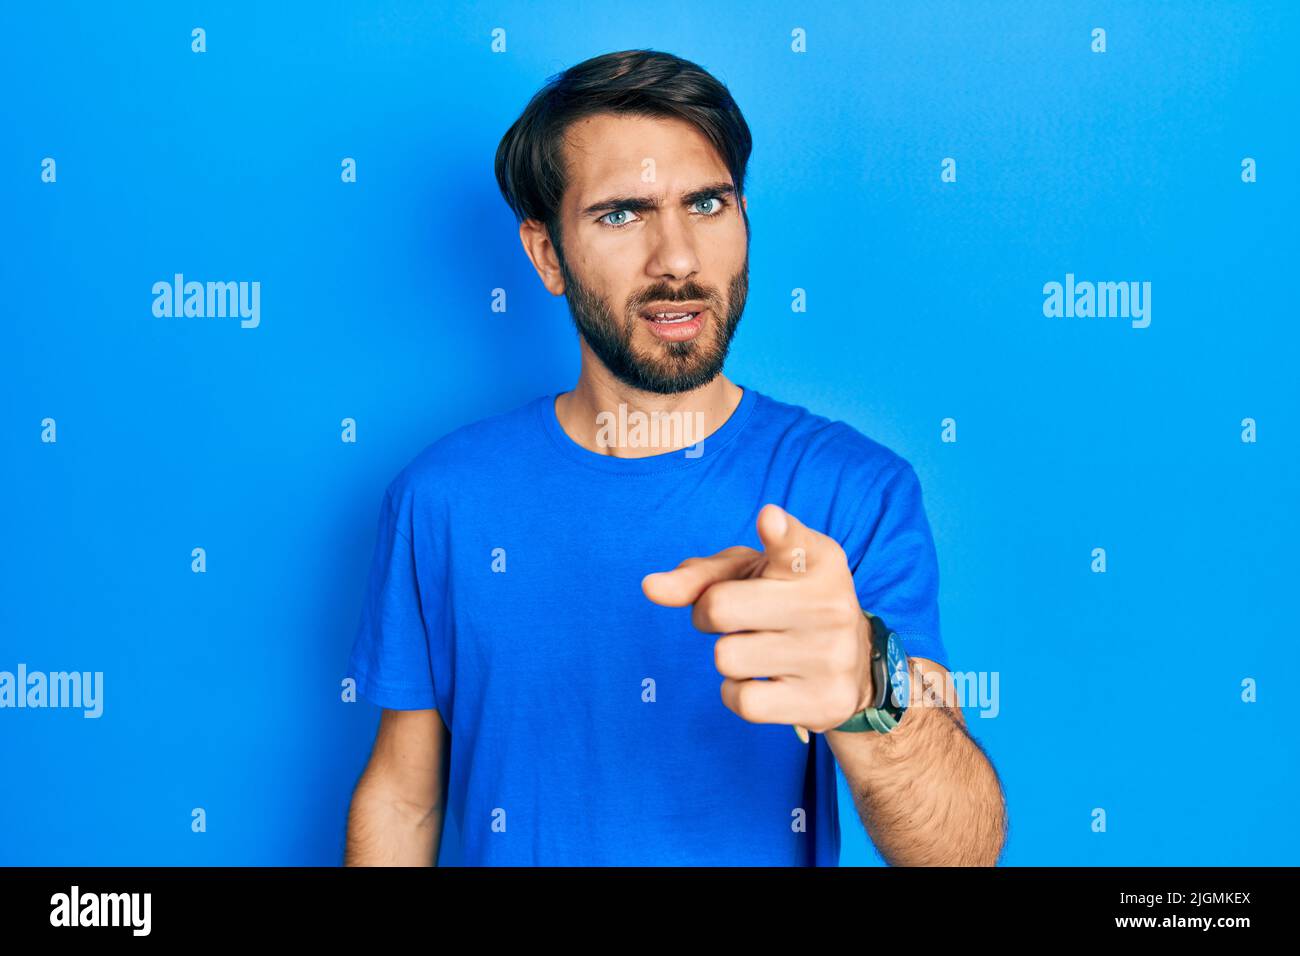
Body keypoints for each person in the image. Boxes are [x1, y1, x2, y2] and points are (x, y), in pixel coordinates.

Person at [344, 49, 1006, 867]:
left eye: (707, 203)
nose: (680, 260)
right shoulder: (440, 498)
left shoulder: (853, 492)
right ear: (547, 254)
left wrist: (869, 688)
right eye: (622, 214)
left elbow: (961, 849)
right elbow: (404, 796)